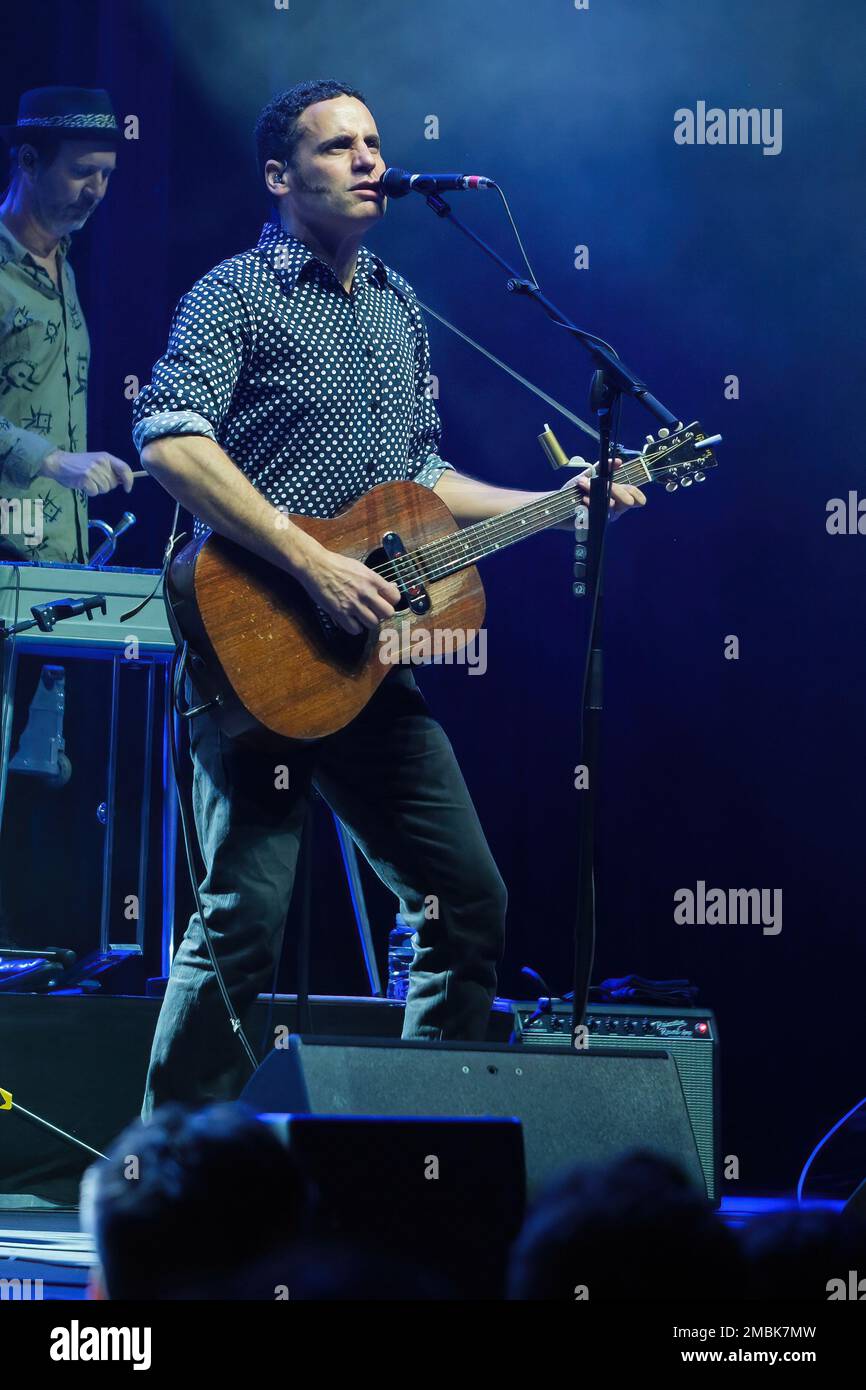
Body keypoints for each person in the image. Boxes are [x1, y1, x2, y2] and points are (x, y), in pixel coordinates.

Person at [132, 79, 646, 1117]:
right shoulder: (233, 295)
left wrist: (552, 500)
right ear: (281, 178)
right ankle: (173, 1172)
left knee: (465, 899)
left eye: (374, 141)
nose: (369, 160)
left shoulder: (397, 305)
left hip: (365, 669)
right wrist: (308, 559)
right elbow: (168, 438)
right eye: (338, 146)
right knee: (243, 917)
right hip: (252, 647)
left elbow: (423, 476)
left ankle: (420, 1148)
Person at [0, 86, 134, 563]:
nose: (96, 191)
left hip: (55, 556)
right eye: (81, 172)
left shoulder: (65, 266)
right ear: (29, 160)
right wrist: (53, 460)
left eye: (106, 175)